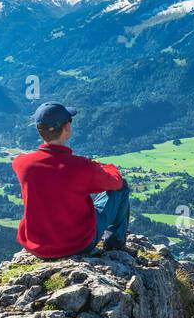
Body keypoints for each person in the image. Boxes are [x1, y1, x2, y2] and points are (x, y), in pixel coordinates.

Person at [11, 102, 130, 258]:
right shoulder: (80, 167)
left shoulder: (21, 164)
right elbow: (116, 182)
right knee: (122, 188)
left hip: (38, 247)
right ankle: (115, 244)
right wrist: (105, 166)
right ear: (66, 128)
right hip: (77, 245)